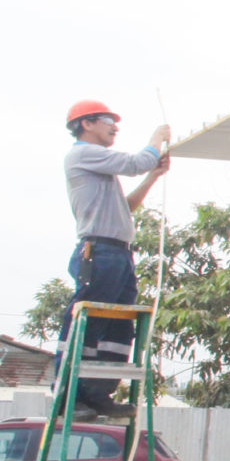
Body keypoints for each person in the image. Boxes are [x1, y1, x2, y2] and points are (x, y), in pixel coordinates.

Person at [58, 99, 171, 417]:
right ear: (86, 124)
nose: (115, 126)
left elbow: (127, 206)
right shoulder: (82, 153)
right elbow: (137, 161)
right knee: (89, 325)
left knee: (118, 329)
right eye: (108, 120)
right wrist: (156, 137)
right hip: (100, 252)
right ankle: (70, 396)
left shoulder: (99, 167)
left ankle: (97, 394)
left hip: (117, 254)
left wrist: (153, 178)